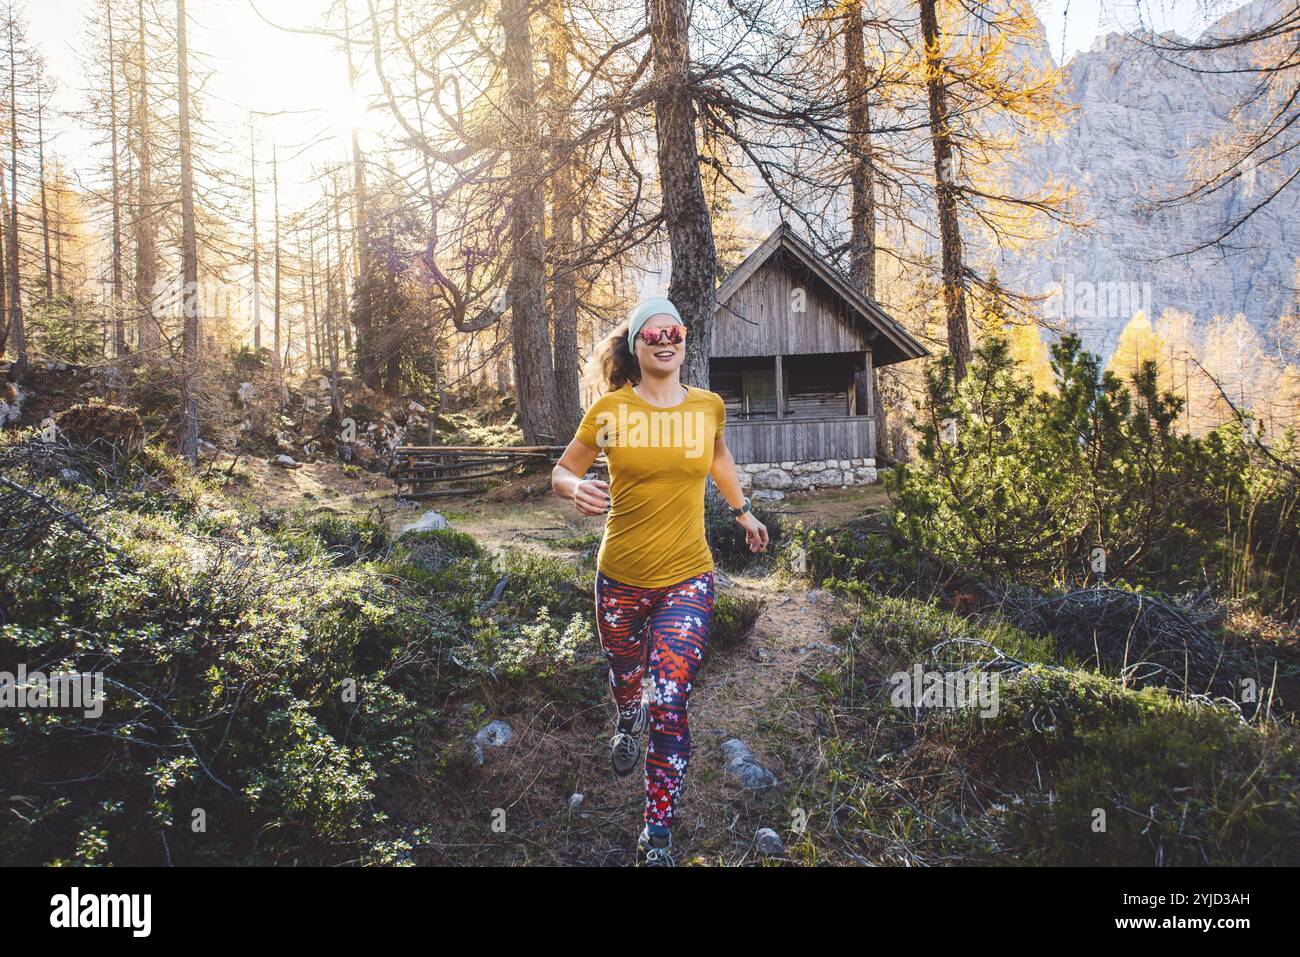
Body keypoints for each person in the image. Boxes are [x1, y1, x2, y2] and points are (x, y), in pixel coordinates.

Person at [551, 296, 769, 867]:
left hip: (687, 578)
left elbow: (718, 457)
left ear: (684, 339)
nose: (665, 340)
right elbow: (563, 470)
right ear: (637, 346)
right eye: (653, 334)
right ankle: (627, 715)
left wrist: (742, 510)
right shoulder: (609, 412)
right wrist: (576, 490)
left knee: (670, 697)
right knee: (629, 678)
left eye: (674, 331)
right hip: (619, 578)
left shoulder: (708, 407)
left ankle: (658, 831)